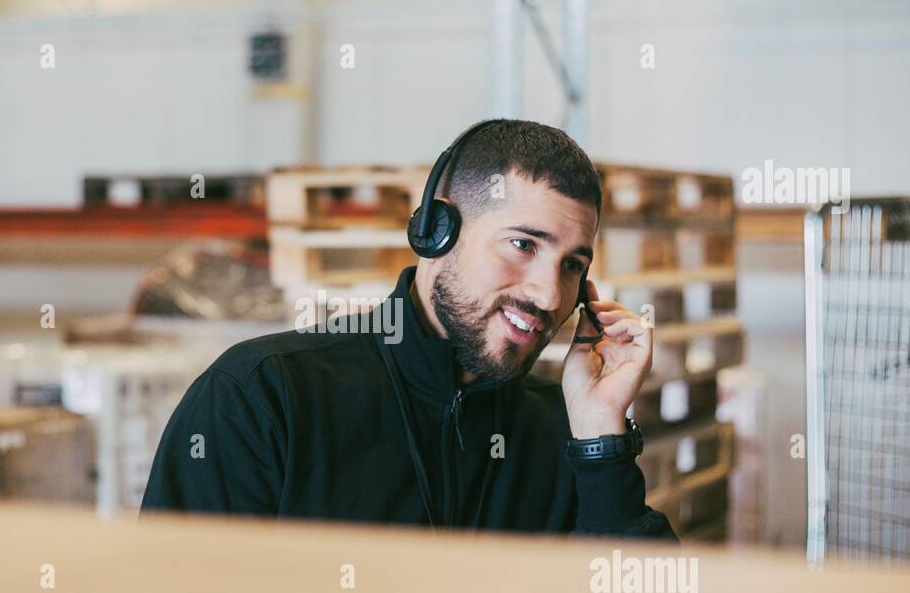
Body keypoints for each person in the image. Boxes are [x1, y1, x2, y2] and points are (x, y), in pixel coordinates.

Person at [142, 119, 676, 540]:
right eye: (523, 245)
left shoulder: (564, 430)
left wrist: (602, 437)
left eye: (571, 264)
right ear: (436, 232)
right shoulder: (264, 395)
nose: (549, 295)